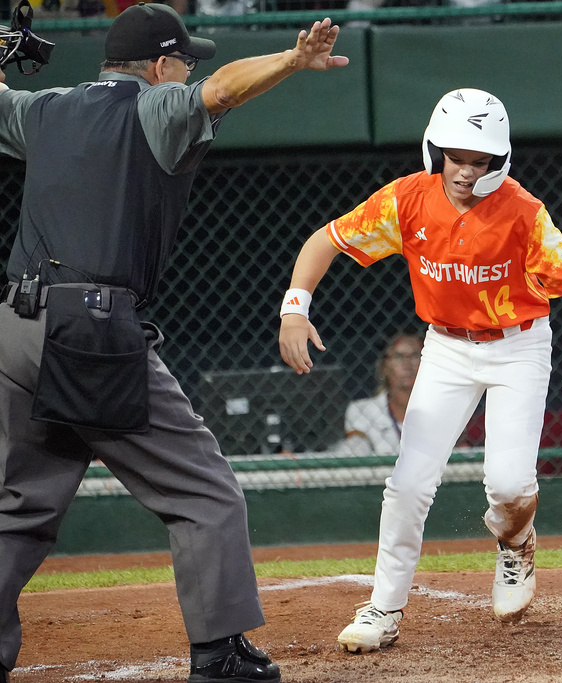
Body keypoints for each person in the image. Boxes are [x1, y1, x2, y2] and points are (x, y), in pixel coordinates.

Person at [0, 5, 347, 682]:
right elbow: (219, 92)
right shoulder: (152, 109)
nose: (190, 72)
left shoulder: (44, 108)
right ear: (159, 66)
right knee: (205, 492)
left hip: (14, 328)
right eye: (184, 61)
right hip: (89, 331)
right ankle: (220, 653)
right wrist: (289, 60)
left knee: (19, 506)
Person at [278, 87, 562, 653]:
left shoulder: (523, 210)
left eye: (480, 161)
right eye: (455, 156)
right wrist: (295, 307)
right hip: (446, 348)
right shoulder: (407, 198)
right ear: (434, 150)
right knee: (408, 483)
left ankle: (516, 544)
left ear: (500, 162)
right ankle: (383, 608)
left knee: (509, 485)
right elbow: (327, 239)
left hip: (518, 346)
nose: (465, 170)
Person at [334, 331, 424, 457]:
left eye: (415, 356)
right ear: (384, 367)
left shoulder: (443, 407)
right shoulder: (363, 410)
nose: (407, 364)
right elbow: (355, 448)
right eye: (398, 356)